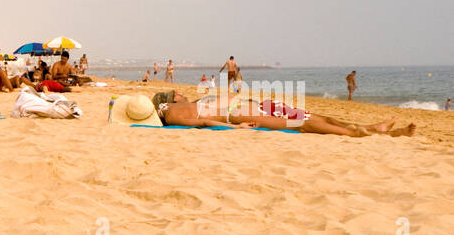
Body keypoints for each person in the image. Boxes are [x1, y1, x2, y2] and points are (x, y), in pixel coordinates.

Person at [159, 93, 415, 137]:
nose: (181, 94)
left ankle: (371, 129)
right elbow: (204, 121)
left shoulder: (179, 111)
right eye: (176, 94)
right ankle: (370, 130)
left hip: (248, 108)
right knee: (308, 120)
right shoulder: (176, 112)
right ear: (170, 100)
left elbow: (204, 120)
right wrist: (236, 128)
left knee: (306, 121)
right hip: (248, 109)